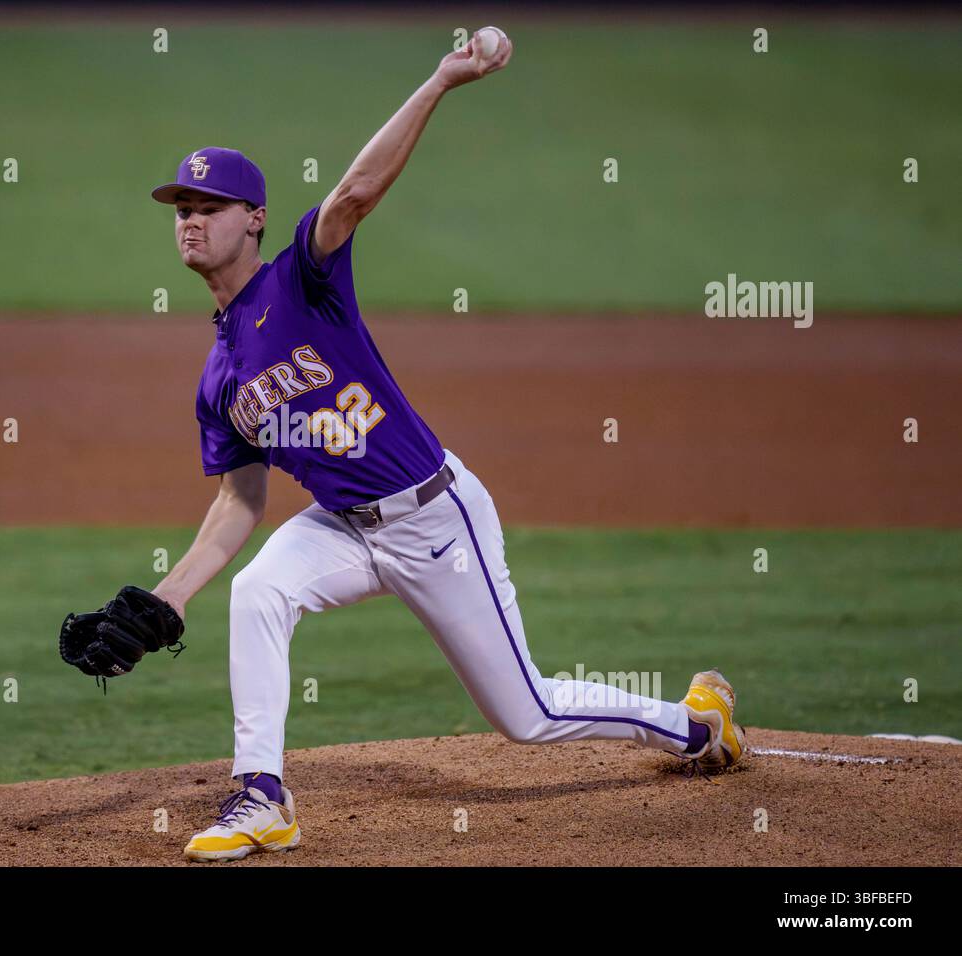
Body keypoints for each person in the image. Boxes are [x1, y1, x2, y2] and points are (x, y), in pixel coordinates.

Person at [146, 31, 743, 863]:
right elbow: (238, 501)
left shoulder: (302, 280)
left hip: (436, 520)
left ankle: (694, 726)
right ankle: (263, 797)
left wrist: (442, 79)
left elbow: (353, 193)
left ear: (254, 219)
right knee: (258, 592)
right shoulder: (217, 379)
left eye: (208, 208)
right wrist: (170, 595)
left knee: (525, 716)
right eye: (182, 211)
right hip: (344, 526)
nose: (191, 223)